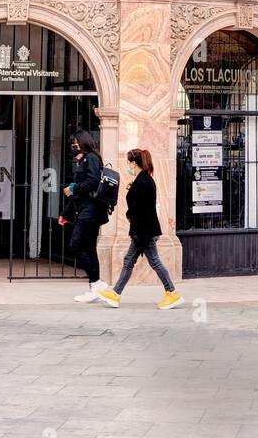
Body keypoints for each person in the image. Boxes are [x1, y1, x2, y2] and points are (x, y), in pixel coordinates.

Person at [98, 149, 183, 310]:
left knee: (154, 262)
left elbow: (140, 209)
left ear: (134, 163)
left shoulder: (142, 181)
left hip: (144, 231)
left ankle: (172, 292)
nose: (127, 165)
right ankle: (115, 294)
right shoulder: (144, 180)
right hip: (144, 229)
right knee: (129, 261)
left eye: (128, 162)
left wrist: (136, 228)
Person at [63, 129, 110, 302]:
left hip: (91, 211)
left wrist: (74, 187)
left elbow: (93, 181)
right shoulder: (83, 159)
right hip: (84, 209)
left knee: (75, 245)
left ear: (83, 142)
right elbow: (80, 189)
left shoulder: (91, 158)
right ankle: (94, 289)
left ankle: (98, 282)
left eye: (75, 141)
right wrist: (65, 214)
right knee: (90, 249)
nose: (73, 145)